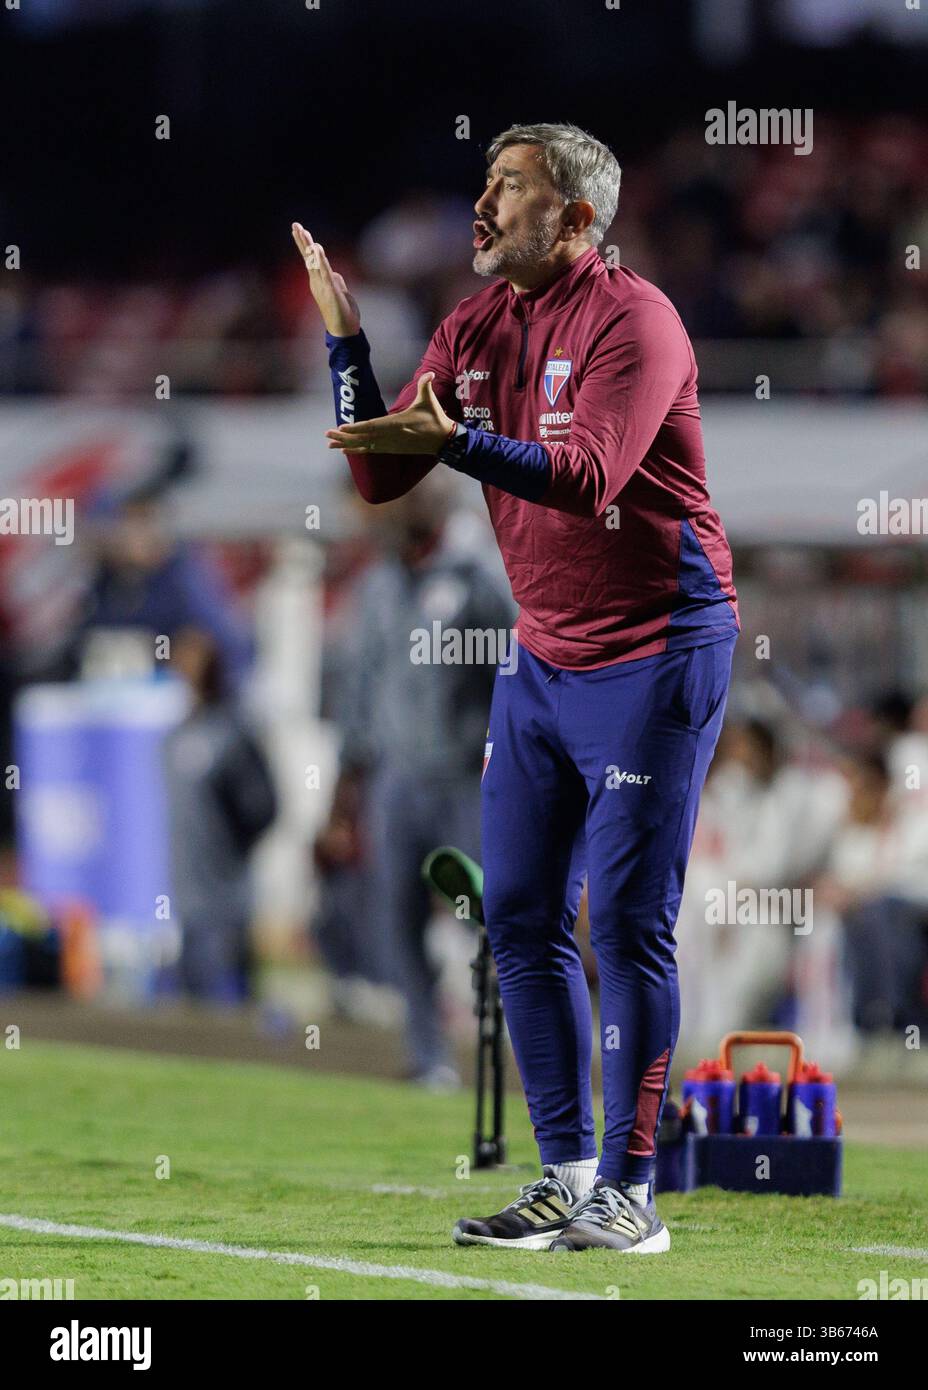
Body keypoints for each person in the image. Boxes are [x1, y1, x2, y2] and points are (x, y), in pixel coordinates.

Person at [293, 121, 739, 1253]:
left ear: (577, 219)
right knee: (519, 917)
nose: (481, 206)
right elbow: (381, 471)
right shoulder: (479, 318)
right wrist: (348, 341)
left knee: (627, 924)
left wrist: (454, 442)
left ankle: (632, 1198)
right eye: (484, 184)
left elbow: (587, 475)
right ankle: (566, 1174)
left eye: (510, 188)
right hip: (545, 654)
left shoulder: (636, 319)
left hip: (655, 647)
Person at [317, 474, 515, 1085]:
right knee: (396, 916)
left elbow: (520, 672)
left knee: (490, 916)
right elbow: (358, 696)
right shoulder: (375, 588)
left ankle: (522, 1051)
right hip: (394, 781)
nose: (378, 517)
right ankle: (428, 1056)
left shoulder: (477, 575)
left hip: (467, 780)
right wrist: (342, 796)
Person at [164, 628, 277, 1002]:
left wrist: (230, 849)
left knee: (226, 1004)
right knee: (189, 1011)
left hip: (224, 901)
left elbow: (264, 807)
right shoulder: (175, 736)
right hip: (184, 899)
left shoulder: (232, 734)